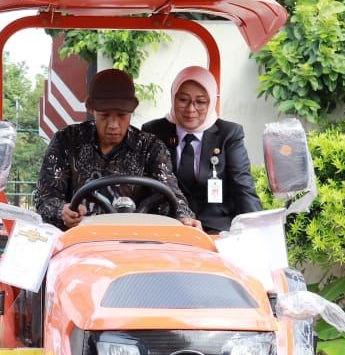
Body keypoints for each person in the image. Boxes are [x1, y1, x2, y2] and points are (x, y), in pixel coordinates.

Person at [34, 68, 198, 230]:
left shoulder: (151, 148)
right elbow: (45, 198)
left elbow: (171, 193)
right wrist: (62, 211)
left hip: (138, 244)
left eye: (121, 115)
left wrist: (184, 217)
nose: (113, 125)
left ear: (132, 110)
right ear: (91, 108)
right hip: (79, 243)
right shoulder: (66, 141)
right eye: (104, 115)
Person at [141, 66, 261, 233]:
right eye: (183, 100)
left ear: (211, 102)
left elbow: (242, 187)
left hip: (216, 230)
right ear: (173, 97)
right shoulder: (154, 131)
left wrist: (259, 231)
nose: (191, 109)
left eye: (200, 102)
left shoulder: (228, 134)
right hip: (167, 228)